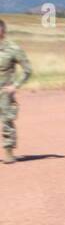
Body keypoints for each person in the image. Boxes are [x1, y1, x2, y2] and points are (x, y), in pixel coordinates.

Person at [0, 19, 34, 165]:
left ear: (3, 31)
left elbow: (27, 70)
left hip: (4, 92)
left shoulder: (13, 49)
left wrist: (15, 85)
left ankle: (8, 151)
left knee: (7, 121)